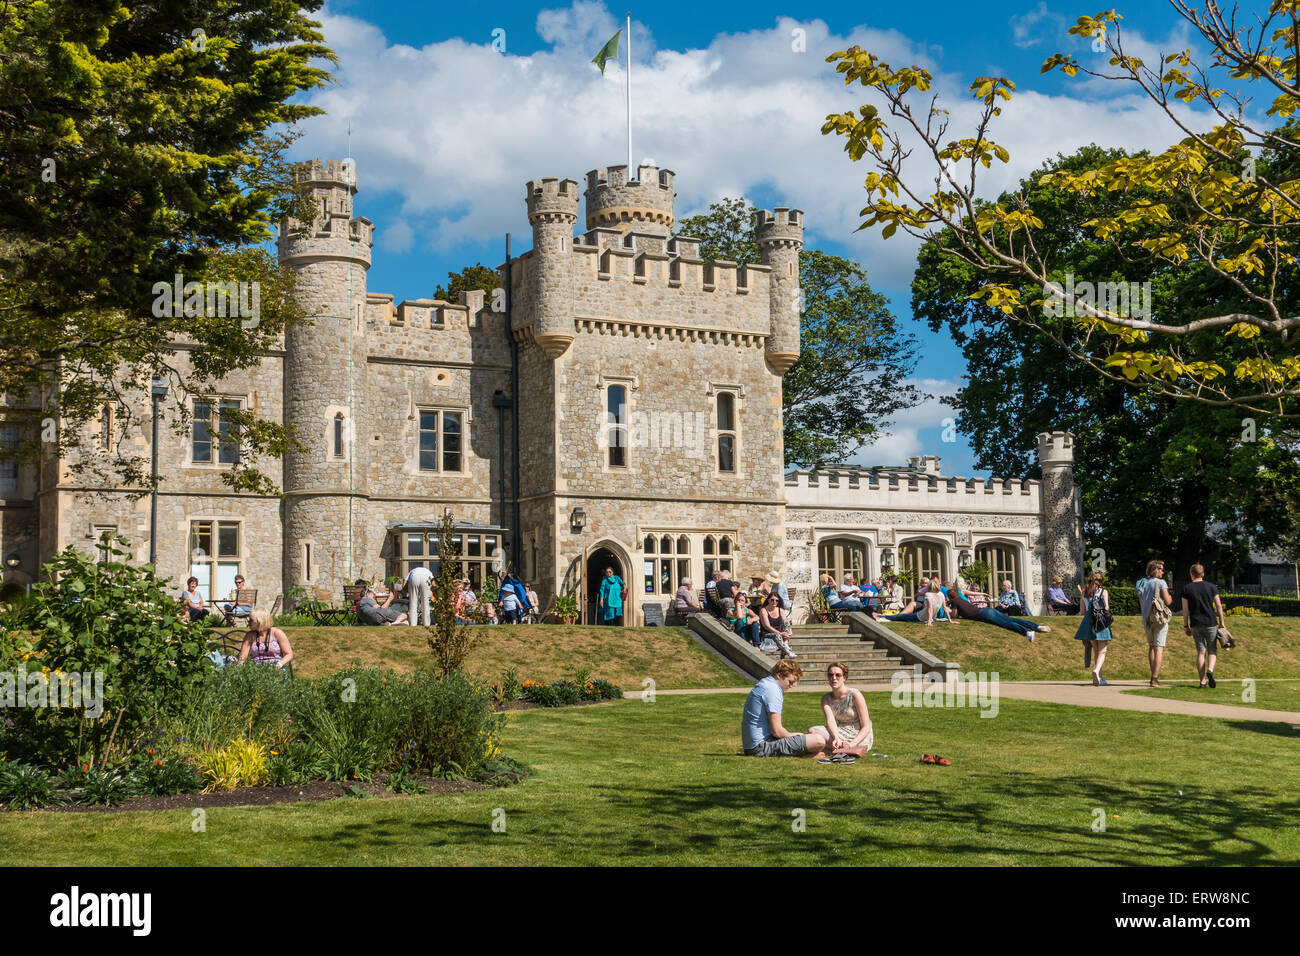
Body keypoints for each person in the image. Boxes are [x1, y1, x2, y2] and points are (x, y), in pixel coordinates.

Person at [741, 659, 830, 758]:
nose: (791, 686)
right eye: (790, 682)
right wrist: (795, 736)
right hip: (761, 747)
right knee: (819, 740)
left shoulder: (765, 683)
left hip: (753, 746)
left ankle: (807, 753)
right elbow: (777, 731)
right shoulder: (773, 690)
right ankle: (804, 755)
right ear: (779, 675)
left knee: (811, 738)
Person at [809, 662, 874, 762]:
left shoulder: (855, 694)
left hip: (858, 733)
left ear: (844, 677)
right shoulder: (825, 698)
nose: (834, 678)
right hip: (840, 731)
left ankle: (842, 748)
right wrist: (836, 738)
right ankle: (841, 748)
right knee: (813, 731)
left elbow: (866, 726)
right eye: (830, 675)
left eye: (838, 675)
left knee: (816, 740)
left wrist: (852, 744)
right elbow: (830, 721)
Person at [949, 583, 1050, 640]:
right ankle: (1037, 627)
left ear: (950, 597)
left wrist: (947, 608)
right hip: (987, 610)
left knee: (1005, 623)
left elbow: (954, 616)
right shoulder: (960, 599)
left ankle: (1027, 632)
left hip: (983, 614)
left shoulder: (954, 601)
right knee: (1009, 619)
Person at [1181, 563, 1226, 689]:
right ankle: (1210, 670)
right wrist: (1222, 622)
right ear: (1203, 574)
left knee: (1201, 652)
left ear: (1191, 574)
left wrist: (1186, 625)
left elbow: (1185, 610)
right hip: (1210, 622)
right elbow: (1218, 605)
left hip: (1195, 623)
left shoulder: (1186, 589)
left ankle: (1202, 681)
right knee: (1212, 650)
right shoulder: (1211, 587)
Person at [1137, 559, 1173, 686]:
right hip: (1158, 618)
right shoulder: (1161, 582)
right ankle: (1155, 678)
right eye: (1161, 569)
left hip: (1146, 618)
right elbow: (1168, 601)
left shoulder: (1143, 583)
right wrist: (1170, 597)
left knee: (1151, 646)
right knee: (1159, 647)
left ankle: (1152, 675)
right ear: (1155, 570)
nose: (1163, 572)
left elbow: (1141, 600)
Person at [1074, 572, 1113, 685]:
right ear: (1100, 581)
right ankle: (1097, 671)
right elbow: (1106, 607)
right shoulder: (1103, 591)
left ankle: (1099, 676)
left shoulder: (1084, 592)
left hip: (1088, 621)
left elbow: (1082, 611)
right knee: (1103, 649)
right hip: (1099, 621)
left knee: (1096, 649)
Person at [758, 592, 796, 658]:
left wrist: (790, 632)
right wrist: (780, 633)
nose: (774, 602)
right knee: (777, 635)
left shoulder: (780, 610)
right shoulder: (763, 610)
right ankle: (788, 652)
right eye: (772, 600)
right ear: (768, 600)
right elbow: (767, 626)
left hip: (780, 632)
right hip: (767, 633)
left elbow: (786, 622)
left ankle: (785, 643)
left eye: (776, 600)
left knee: (786, 622)